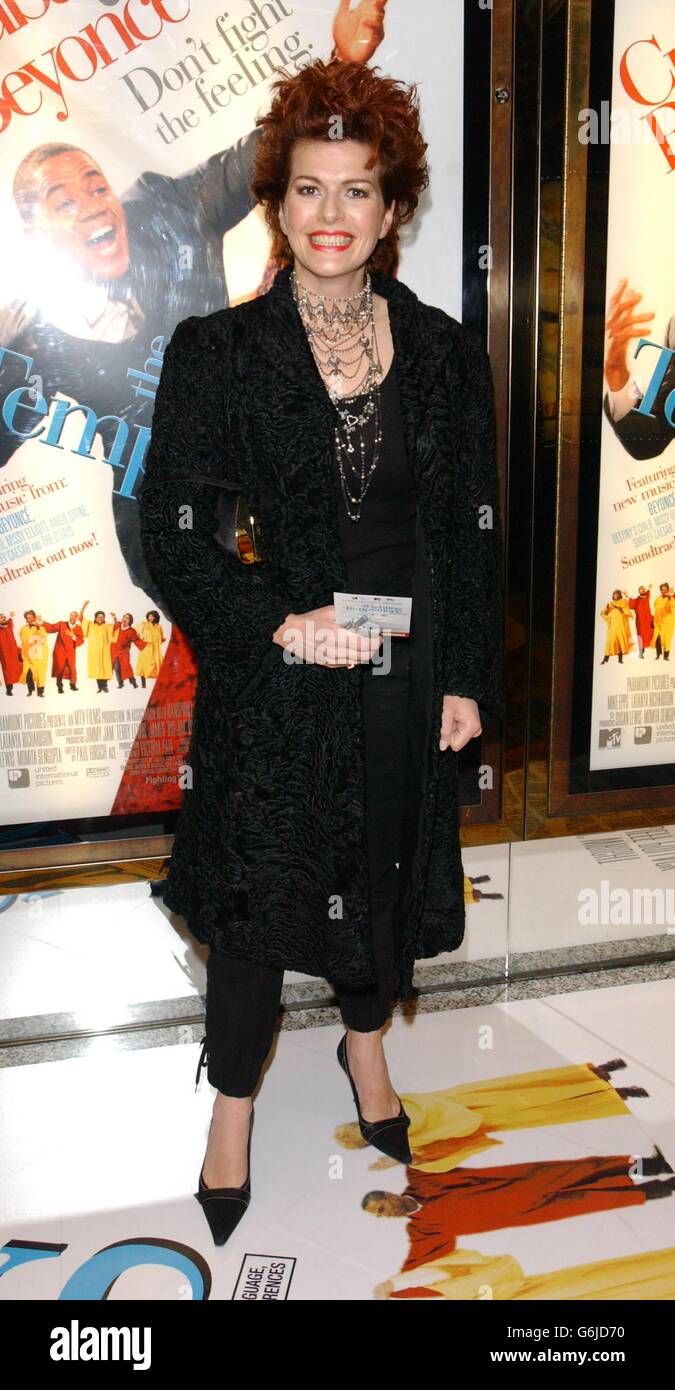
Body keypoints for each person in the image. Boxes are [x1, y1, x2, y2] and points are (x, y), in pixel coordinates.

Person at [138, 57, 504, 1247]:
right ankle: (231, 1108)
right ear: (277, 202)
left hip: (403, 681)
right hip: (278, 681)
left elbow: (468, 529)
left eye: (358, 190)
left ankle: (364, 1046)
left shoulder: (447, 355)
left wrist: (463, 675)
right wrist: (272, 621)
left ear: (393, 207)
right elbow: (176, 529)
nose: (332, 215)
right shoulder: (218, 352)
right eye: (308, 189)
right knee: (255, 905)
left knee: (381, 875)